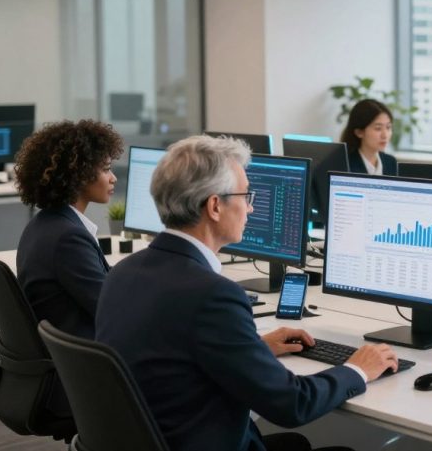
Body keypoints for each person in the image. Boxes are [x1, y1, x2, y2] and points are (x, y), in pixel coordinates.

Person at [96, 135, 398, 451]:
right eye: (246, 195)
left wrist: (255, 349)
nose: (251, 207)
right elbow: (292, 404)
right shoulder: (213, 296)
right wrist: (357, 369)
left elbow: (175, 356)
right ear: (214, 205)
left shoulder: (123, 272)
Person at [15, 119, 123, 339]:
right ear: (80, 175)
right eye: (106, 169)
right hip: (85, 360)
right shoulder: (68, 239)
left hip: (65, 355)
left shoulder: (42, 224)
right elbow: (115, 310)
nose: (113, 178)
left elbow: (107, 284)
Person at [341, 99, 398, 175]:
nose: (385, 135)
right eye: (378, 128)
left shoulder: (391, 162)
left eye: (388, 127)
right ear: (359, 132)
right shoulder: (345, 164)